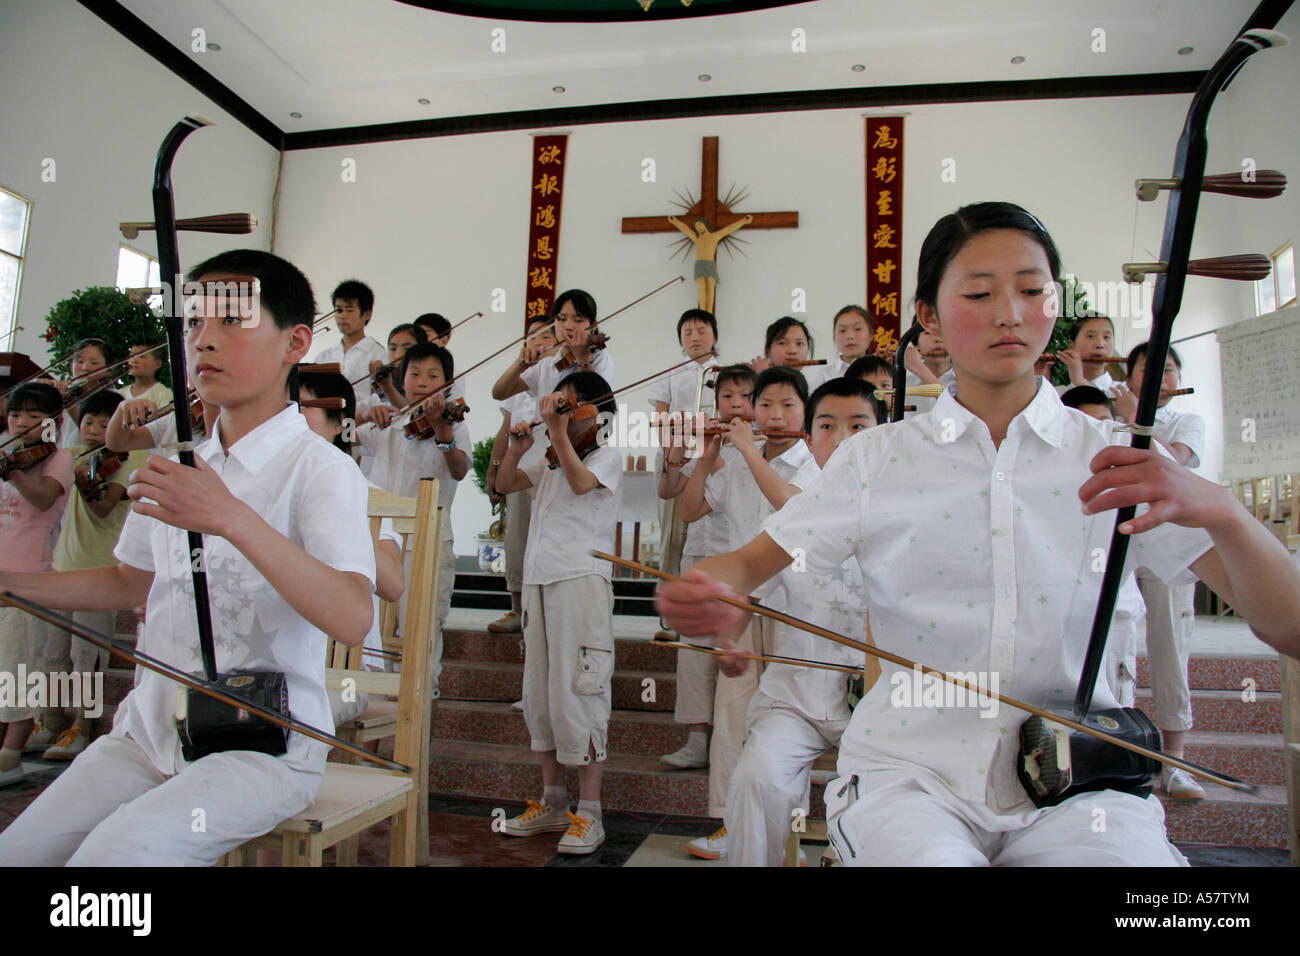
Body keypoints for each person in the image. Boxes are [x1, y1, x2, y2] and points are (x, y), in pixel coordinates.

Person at [656, 201, 1300, 866]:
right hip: (908, 776)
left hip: (1079, 782)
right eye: (979, 293)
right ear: (927, 316)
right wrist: (715, 586)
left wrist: (1222, 510)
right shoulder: (877, 459)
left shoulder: (1117, 458)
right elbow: (757, 560)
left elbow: (1289, 627)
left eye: (1030, 290)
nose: (1009, 314)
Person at [0, 249, 377, 864]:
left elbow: (353, 615)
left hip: (262, 743)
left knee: (113, 860)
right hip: (147, 734)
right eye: (194, 322)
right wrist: (10, 581)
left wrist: (229, 516)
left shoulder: (320, 469)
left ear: (296, 342)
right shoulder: (180, 462)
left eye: (232, 320)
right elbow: (128, 581)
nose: (204, 340)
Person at [725, 377, 881, 866]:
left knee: (884, 809)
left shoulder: (909, 514)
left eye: (858, 425)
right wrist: (728, 637)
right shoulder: (795, 515)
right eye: (828, 426)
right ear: (809, 440)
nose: (842, 439)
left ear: (883, 433)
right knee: (758, 780)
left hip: (879, 706)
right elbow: (746, 586)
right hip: (797, 698)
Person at [677, 365, 815, 860]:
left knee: (786, 723)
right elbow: (689, 511)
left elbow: (795, 514)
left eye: (788, 406)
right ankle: (730, 826)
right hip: (738, 605)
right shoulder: (732, 461)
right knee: (733, 715)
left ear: (804, 413)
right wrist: (706, 457)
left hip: (789, 608)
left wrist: (749, 451)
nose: (775, 415)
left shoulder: (810, 463)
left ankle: (787, 836)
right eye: (766, 405)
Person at [494, 371, 622, 855]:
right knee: (540, 691)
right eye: (559, 401)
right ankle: (552, 803)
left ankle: (590, 812)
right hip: (539, 579)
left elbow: (581, 481)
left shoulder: (604, 455)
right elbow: (505, 483)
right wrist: (514, 444)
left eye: (573, 405)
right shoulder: (547, 454)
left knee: (581, 690)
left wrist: (556, 431)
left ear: (597, 413)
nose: (563, 410)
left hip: (581, 580)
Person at [30, 391, 149, 761]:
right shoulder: (70, 455)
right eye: (89, 422)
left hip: (101, 569)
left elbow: (103, 508)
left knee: (86, 655)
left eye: (103, 422)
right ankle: (51, 722)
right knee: (53, 655)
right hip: (62, 565)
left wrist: (86, 482)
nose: (95, 430)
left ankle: (83, 725)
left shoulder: (130, 459)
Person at [1118, 342, 1209, 800]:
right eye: (1149, 368)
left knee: (1170, 646)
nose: (1161, 376)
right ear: (1129, 374)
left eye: (1168, 369)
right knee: (1114, 641)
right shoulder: (1109, 409)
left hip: (1170, 539)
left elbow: (1172, 464)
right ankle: (1117, 749)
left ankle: (1174, 765)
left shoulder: (1187, 421)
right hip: (1115, 536)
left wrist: (1135, 418)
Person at [354, 342, 468, 699]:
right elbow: (338, 439)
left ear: (447, 384)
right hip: (384, 543)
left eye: (433, 376)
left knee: (420, 635)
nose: (422, 382)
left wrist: (443, 435)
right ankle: (378, 716)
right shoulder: (389, 424)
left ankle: (415, 720)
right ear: (401, 381)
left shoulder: (452, 422)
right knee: (378, 633)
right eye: (415, 374)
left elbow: (461, 469)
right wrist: (363, 417)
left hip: (427, 542)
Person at [656, 364, 755, 771]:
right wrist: (678, 452)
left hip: (742, 561)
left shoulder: (759, 444)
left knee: (735, 650)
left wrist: (711, 451)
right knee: (694, 652)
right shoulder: (704, 441)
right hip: (700, 556)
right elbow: (668, 492)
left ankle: (739, 741)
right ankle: (697, 737)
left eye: (744, 396)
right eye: (727, 397)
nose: (734, 404)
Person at [0, 383, 74, 786]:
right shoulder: (8, 453)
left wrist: (11, 473)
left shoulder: (58, 458)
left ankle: (10, 756)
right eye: (16, 415)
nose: (21, 423)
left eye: (33, 416)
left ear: (55, 422)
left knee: (16, 671)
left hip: (28, 580)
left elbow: (44, 500)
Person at [486, 317, 558, 636]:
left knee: (548, 537)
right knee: (518, 536)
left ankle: (547, 609)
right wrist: (494, 466)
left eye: (546, 337)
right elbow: (504, 430)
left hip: (554, 467)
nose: (538, 343)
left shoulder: (561, 375)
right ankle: (517, 607)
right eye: (532, 337)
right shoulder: (519, 381)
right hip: (518, 468)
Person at [650, 308, 721, 580]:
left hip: (712, 458)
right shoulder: (671, 373)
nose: (694, 337)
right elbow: (660, 417)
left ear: (714, 335)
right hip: (676, 457)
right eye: (687, 332)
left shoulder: (727, 370)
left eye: (702, 330)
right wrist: (672, 455)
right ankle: (669, 611)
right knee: (673, 532)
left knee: (708, 528)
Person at [492, 289, 613, 402]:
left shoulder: (601, 358)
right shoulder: (547, 365)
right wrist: (519, 365)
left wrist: (584, 360)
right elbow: (499, 393)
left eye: (578, 320)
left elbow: (594, 404)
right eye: (561, 319)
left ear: (593, 326)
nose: (568, 326)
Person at [313, 279, 387, 418]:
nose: (342, 316)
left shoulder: (378, 354)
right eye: (338, 310)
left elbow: (382, 398)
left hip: (360, 423)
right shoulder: (324, 357)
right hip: (326, 421)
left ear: (367, 314)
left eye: (349, 310)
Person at [667, 214, 753, 313]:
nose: (698, 228)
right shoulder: (697, 239)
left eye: (700, 225)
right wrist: (675, 221)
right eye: (696, 227)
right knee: (702, 289)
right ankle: (703, 312)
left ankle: (709, 313)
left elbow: (728, 229)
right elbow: (686, 230)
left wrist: (743, 221)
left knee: (710, 288)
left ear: (705, 225)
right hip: (699, 265)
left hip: (710, 264)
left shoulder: (714, 237)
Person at [804, 306, 873, 391]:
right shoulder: (824, 376)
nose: (850, 336)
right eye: (842, 330)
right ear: (834, 337)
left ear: (871, 335)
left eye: (857, 329)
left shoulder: (881, 374)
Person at [118, 340, 172, 407]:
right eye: (132, 355)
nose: (134, 360)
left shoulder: (165, 394)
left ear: (158, 364)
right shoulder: (119, 394)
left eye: (141, 356)